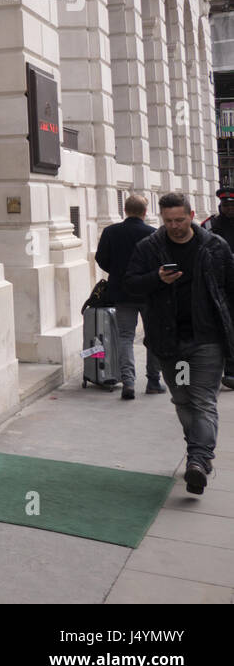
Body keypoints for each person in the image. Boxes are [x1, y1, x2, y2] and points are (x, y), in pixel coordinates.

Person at [124, 191, 234, 495]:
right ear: (161, 218)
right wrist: (157, 278)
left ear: (191, 214)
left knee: (203, 400)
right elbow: (130, 284)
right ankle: (197, 451)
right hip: (169, 341)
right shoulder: (149, 247)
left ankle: (198, 460)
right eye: (168, 220)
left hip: (206, 339)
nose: (174, 226)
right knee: (182, 400)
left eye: (180, 219)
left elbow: (230, 290)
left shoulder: (214, 246)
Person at [93, 194, 164, 398]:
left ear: (125, 210)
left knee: (125, 337)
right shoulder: (153, 233)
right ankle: (153, 381)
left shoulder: (110, 232)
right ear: (145, 212)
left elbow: (101, 259)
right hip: (149, 292)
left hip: (122, 291)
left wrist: (116, 272)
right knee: (153, 337)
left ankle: (128, 382)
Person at [199, 188, 234, 392]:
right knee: (223, 327)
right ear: (220, 206)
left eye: (232, 205)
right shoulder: (210, 225)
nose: (229, 209)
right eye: (226, 205)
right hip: (217, 285)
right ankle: (227, 370)